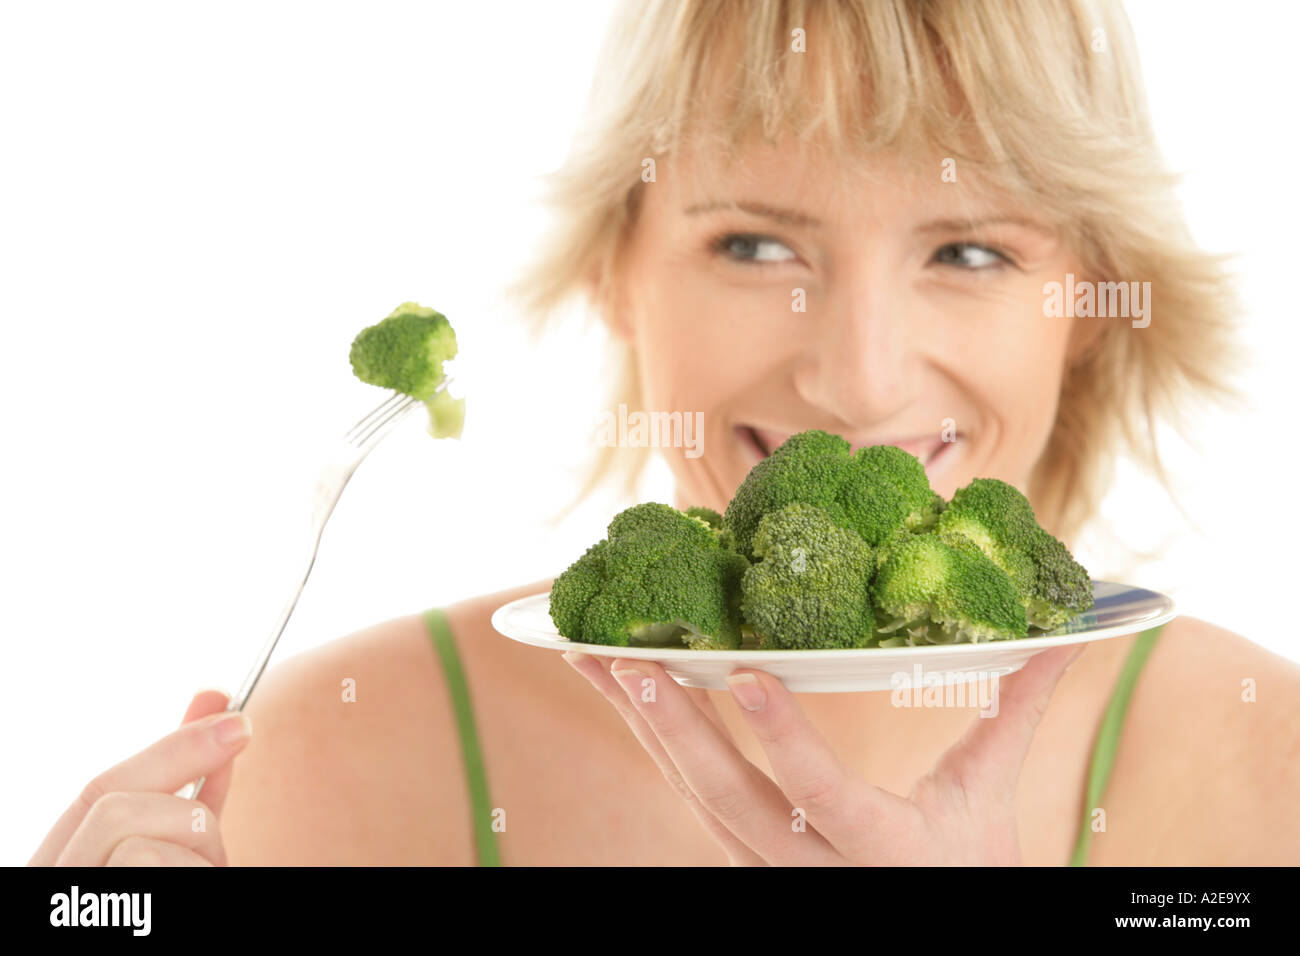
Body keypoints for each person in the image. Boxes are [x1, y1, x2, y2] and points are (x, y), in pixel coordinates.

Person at [30, 0, 1300, 867]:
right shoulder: (320, 758)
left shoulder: (1267, 763)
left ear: (1085, 307)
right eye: (753, 244)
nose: (856, 382)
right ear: (612, 272)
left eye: (969, 250)